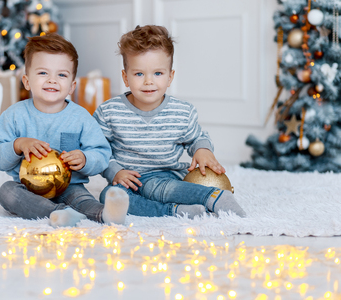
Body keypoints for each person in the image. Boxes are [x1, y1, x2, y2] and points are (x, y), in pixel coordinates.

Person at [94, 25, 246, 218]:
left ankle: (214, 197)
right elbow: (98, 149)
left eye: (158, 73)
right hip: (127, 181)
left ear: (170, 77)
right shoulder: (109, 111)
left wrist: (202, 150)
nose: (149, 81)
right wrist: (115, 172)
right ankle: (176, 211)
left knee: (157, 188)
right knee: (108, 196)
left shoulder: (181, 112)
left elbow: (197, 137)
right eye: (139, 74)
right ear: (125, 77)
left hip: (166, 178)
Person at [0, 33, 129, 227]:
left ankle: (105, 215)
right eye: (43, 73)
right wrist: (18, 145)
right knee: (7, 192)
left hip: (70, 187)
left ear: (71, 86)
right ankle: (59, 213)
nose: (52, 80)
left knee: (83, 200)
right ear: (27, 81)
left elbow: (102, 155)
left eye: (61, 74)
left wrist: (85, 158)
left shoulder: (80, 117)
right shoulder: (14, 115)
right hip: (28, 187)